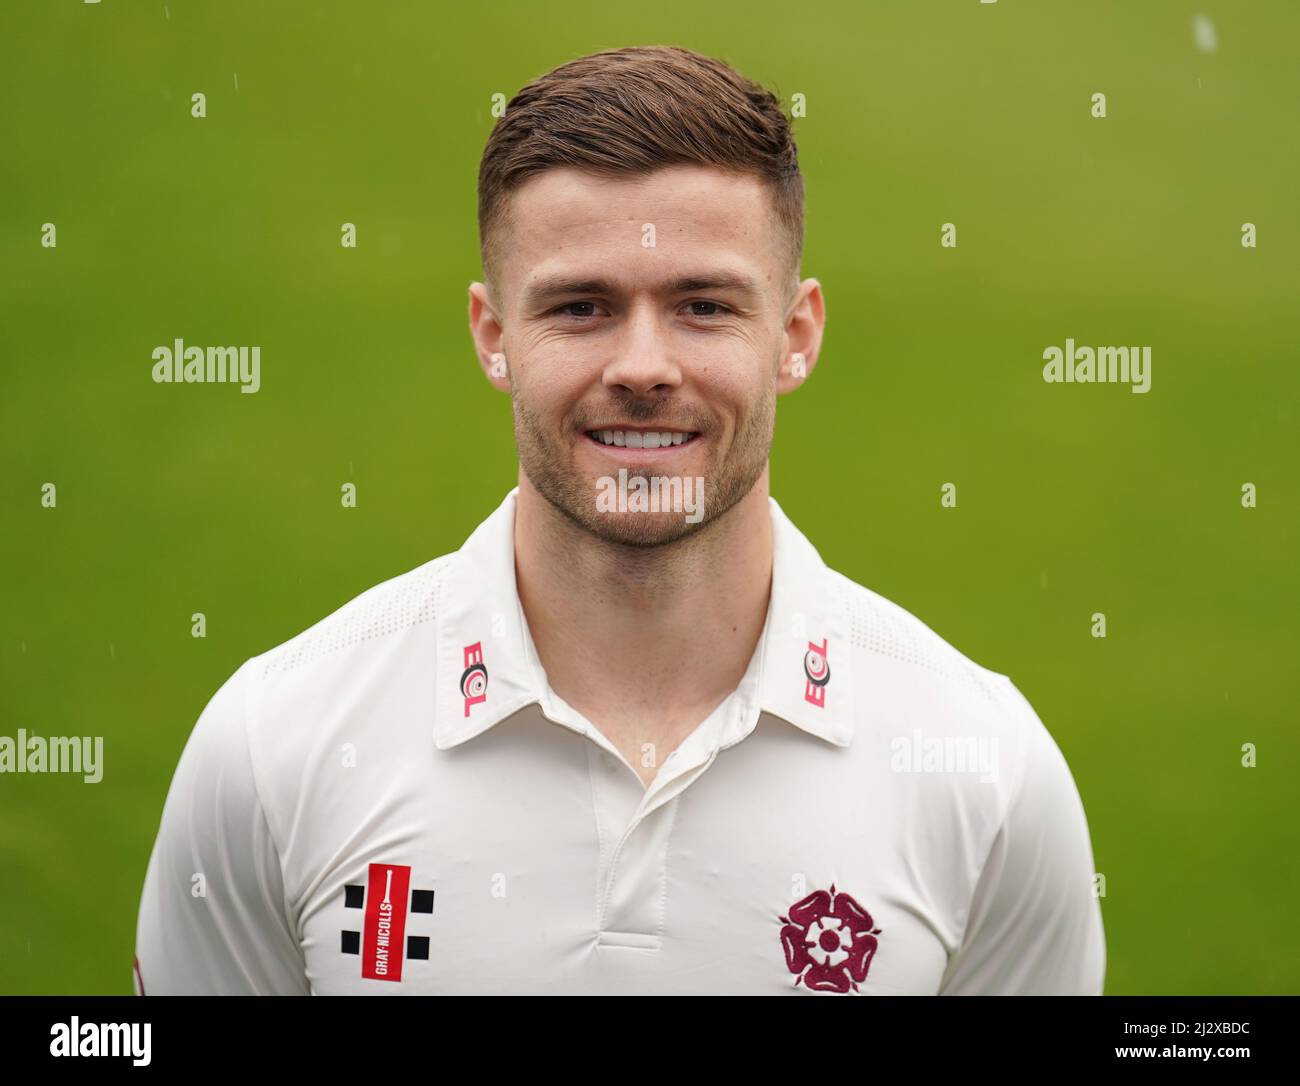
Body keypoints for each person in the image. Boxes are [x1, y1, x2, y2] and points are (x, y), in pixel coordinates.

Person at [134, 45, 1105, 995]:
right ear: (492, 336)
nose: (642, 367)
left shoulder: (984, 770)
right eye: (583, 306)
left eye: (703, 306)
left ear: (794, 336)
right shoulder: (274, 747)